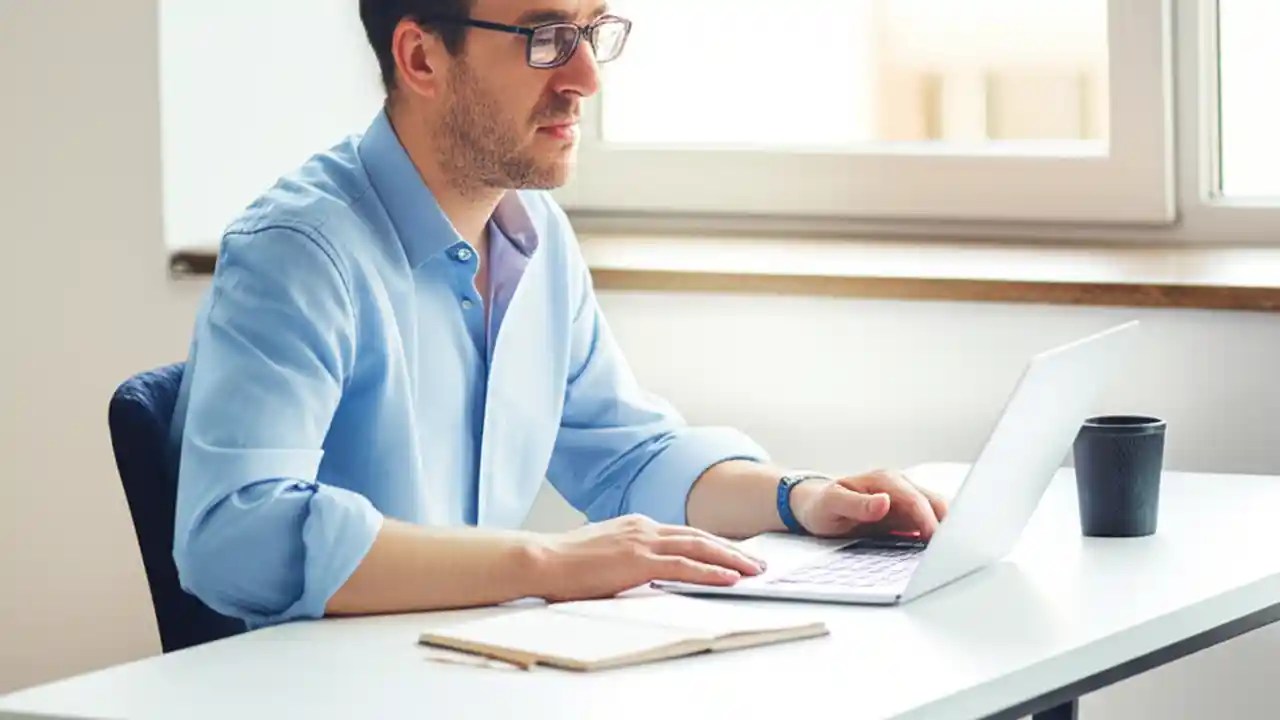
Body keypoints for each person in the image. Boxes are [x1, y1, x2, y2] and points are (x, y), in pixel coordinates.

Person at [169, 0, 948, 628]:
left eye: (592, 30)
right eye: (545, 36)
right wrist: (545, 563)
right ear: (421, 58)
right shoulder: (297, 254)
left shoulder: (535, 236)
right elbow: (235, 536)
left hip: (471, 674)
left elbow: (626, 455)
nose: (585, 77)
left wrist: (804, 498)